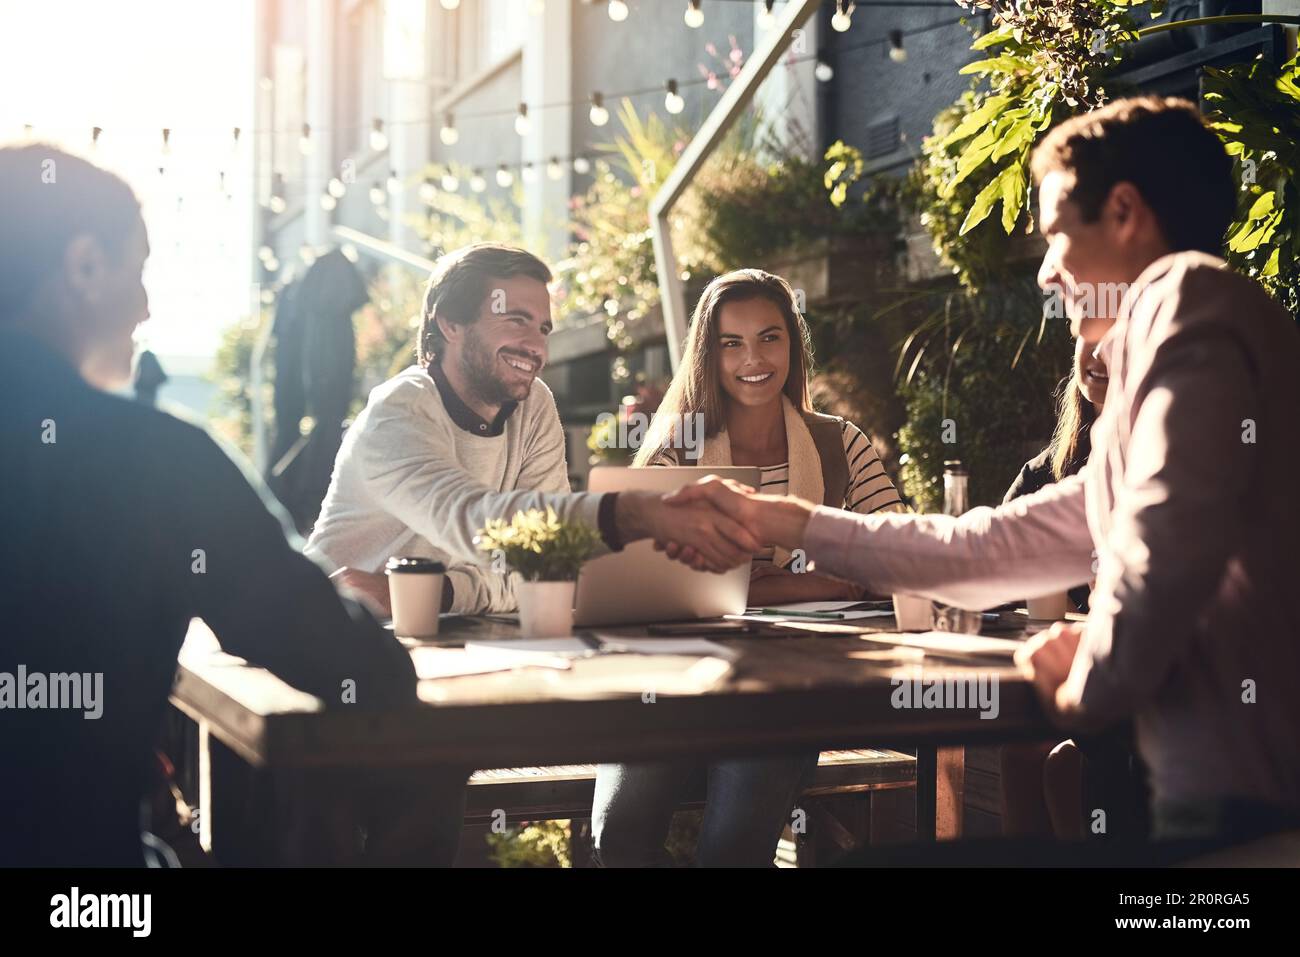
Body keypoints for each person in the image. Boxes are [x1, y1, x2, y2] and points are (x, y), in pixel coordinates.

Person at [660, 96, 1300, 856]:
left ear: (1126, 212)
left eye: (1058, 234)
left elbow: (1169, 550)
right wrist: (786, 522)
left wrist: (1088, 679)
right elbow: (983, 550)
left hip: (1242, 834)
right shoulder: (1185, 330)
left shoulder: (1185, 301)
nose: (1049, 271)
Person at [0, 144, 423, 866]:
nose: (146, 306)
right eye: (136, 269)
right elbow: (350, 664)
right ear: (83, 266)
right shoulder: (152, 462)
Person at [592, 269, 904, 867]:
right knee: (619, 833)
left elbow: (892, 556)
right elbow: (644, 586)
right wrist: (817, 581)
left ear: (794, 344)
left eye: (770, 337)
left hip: (786, 691)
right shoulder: (673, 450)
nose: (752, 359)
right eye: (730, 343)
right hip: (674, 683)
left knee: (732, 849)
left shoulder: (841, 445)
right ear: (708, 354)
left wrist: (764, 584)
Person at [305, 243, 760, 615]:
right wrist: (637, 514)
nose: (535, 346)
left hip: (440, 640)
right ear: (450, 323)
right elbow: (477, 522)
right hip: (325, 636)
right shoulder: (399, 411)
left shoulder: (533, 404)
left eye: (543, 328)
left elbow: (545, 563)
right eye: (515, 320)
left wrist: (431, 593)